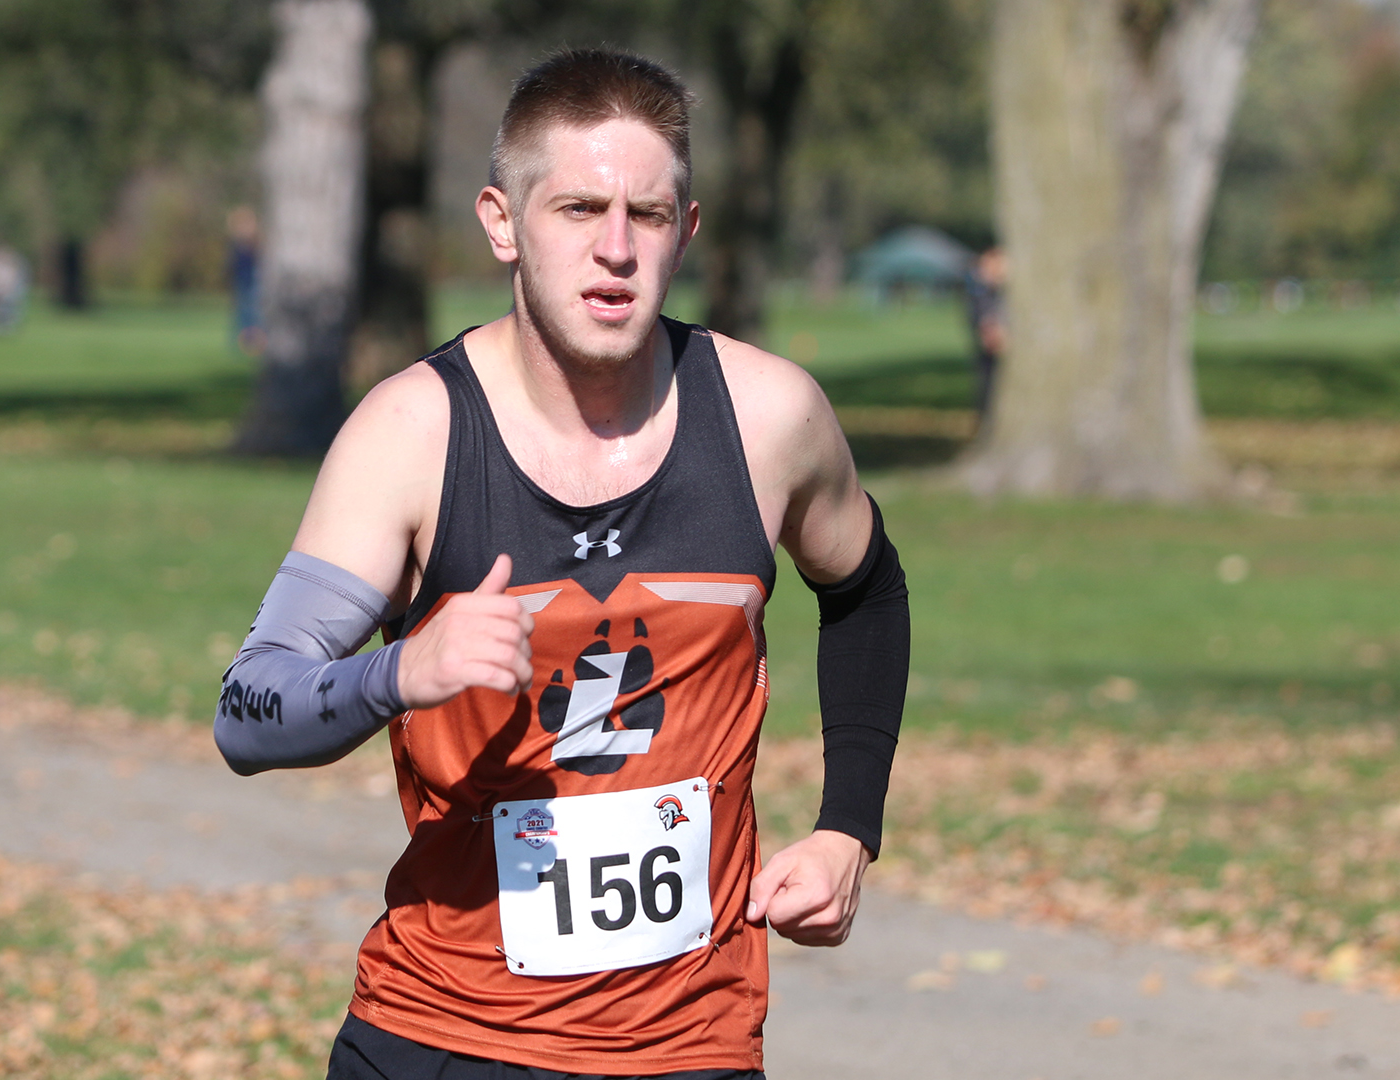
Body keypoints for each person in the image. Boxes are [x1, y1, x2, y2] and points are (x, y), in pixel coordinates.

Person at [213, 49, 910, 1080]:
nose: (617, 250)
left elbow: (866, 588)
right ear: (502, 222)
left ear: (689, 231)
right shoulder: (413, 435)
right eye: (579, 210)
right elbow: (247, 708)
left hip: (693, 1046)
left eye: (650, 215)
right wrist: (400, 671)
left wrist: (849, 826)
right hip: (447, 1035)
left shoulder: (768, 419)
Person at [963, 244, 1005, 434]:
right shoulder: (979, 289)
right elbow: (990, 336)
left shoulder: (991, 290)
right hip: (991, 356)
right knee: (989, 391)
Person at [226, 206, 264, 356]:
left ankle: (256, 343)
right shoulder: (236, 245)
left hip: (253, 281)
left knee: (255, 312)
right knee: (243, 313)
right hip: (242, 282)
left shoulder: (255, 243)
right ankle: (244, 344)